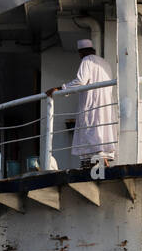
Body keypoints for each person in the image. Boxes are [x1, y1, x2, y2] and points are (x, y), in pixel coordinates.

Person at [45, 39, 117, 168]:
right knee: (101, 131)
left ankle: (101, 164)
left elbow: (81, 81)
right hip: (105, 102)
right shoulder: (105, 63)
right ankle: (101, 164)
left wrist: (60, 89)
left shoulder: (87, 60)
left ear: (81, 52)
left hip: (92, 101)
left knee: (91, 130)